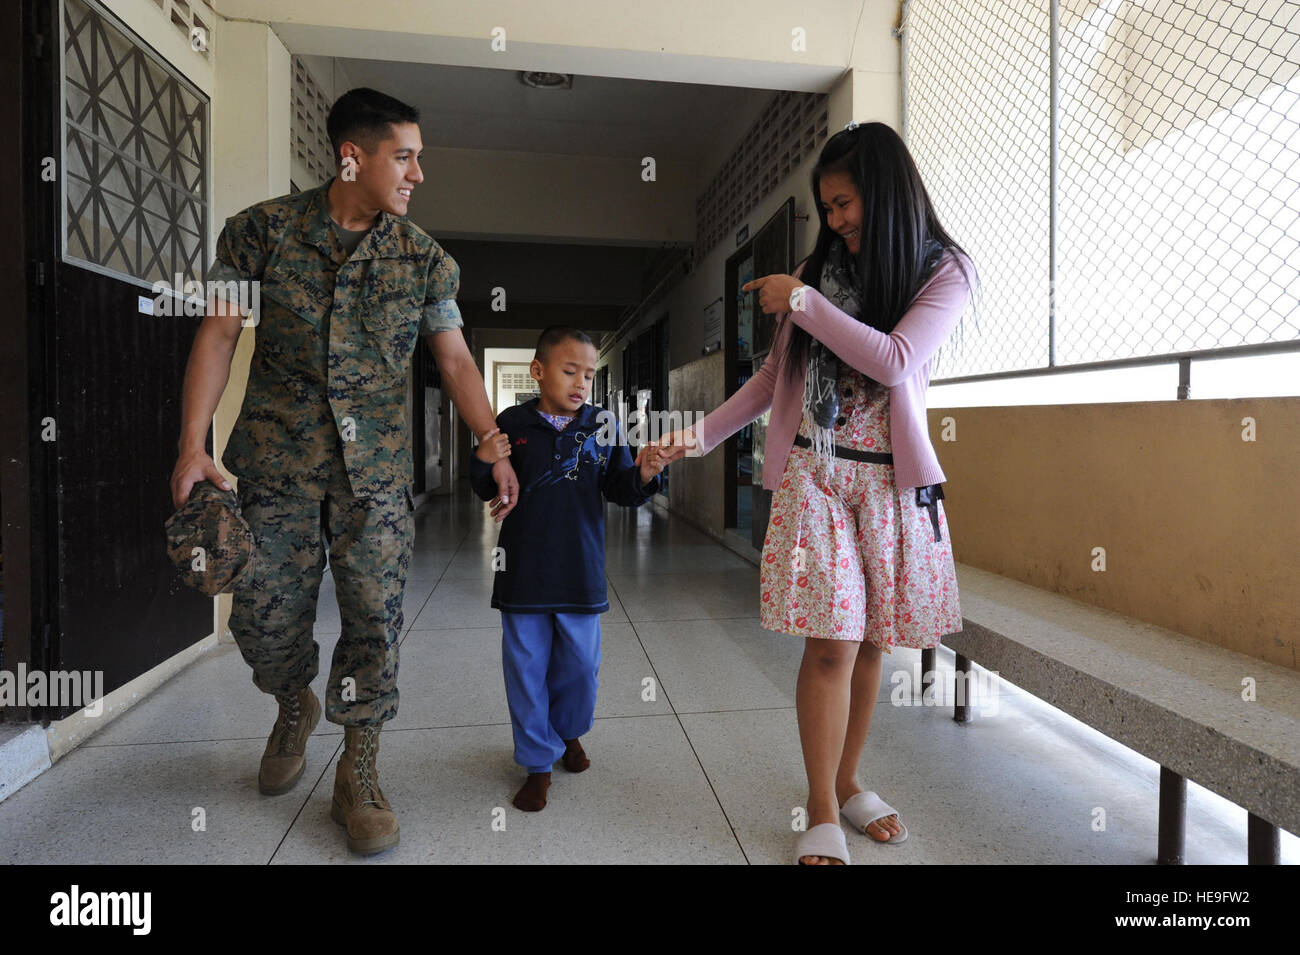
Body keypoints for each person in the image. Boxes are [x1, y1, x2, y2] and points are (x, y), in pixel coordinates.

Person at [168, 88, 519, 856]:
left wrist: (490, 436)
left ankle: (358, 768)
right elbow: (221, 332)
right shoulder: (259, 233)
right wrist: (194, 445)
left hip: (375, 476)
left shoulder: (424, 260)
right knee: (261, 617)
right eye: (405, 155)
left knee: (374, 622)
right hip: (276, 463)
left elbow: (454, 356)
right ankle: (293, 700)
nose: (418, 174)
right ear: (351, 157)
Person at [660, 121, 977, 865]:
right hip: (817, 476)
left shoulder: (944, 271)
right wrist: (693, 438)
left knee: (871, 642)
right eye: (827, 207)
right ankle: (825, 806)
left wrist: (804, 301)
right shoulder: (819, 269)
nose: (835, 221)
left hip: (891, 484)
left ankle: (849, 776)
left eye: (844, 204)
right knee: (831, 642)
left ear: (887, 193)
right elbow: (773, 384)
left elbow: (896, 361)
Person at [469, 326, 669, 812]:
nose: (582, 382)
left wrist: (644, 472)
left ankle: (570, 732)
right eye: (569, 370)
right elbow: (483, 484)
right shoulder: (512, 422)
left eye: (589, 373)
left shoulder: (602, 422)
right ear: (538, 372)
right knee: (526, 669)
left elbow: (621, 490)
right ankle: (539, 763)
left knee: (580, 668)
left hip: (581, 571)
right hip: (522, 573)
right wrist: (483, 456)